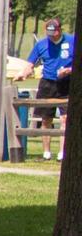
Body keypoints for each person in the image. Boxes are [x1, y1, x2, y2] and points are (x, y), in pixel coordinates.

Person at [22, 18, 73, 160]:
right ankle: (46, 152)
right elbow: (30, 63)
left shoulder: (72, 41)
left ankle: (62, 152)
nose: (53, 36)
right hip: (47, 83)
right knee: (46, 119)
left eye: (55, 32)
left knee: (65, 118)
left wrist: (69, 70)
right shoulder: (41, 45)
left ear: (60, 29)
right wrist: (24, 72)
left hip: (66, 82)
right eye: (50, 33)